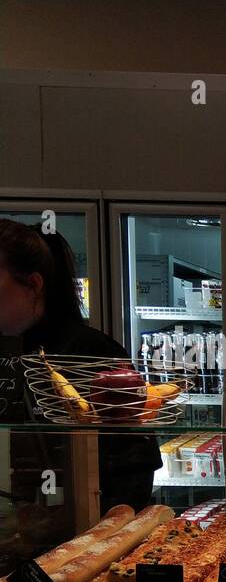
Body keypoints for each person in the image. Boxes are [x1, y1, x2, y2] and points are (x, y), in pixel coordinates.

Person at [0, 218, 161, 514]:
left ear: (34, 284)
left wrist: (105, 532)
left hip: (77, 531)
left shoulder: (91, 353)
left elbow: (134, 465)